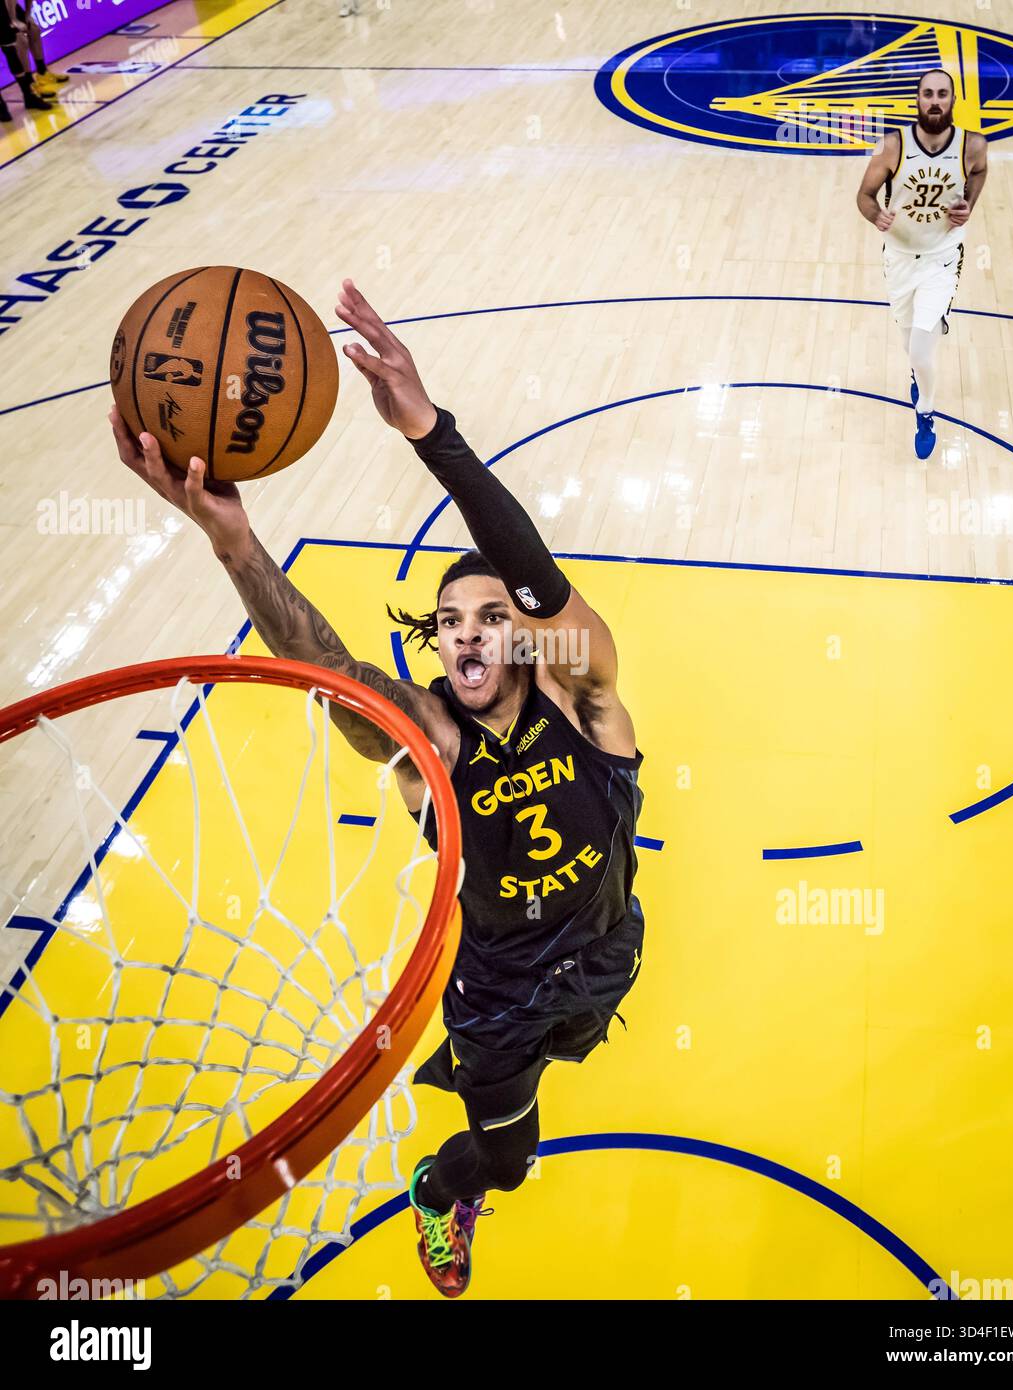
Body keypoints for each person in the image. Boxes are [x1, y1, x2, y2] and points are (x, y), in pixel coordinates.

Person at [109, 279, 646, 1299]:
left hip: (610, 950)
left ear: (523, 631)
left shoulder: (587, 698)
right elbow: (330, 667)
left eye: (492, 616)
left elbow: (536, 573)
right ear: (437, 641)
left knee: (552, 1081)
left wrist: (432, 433)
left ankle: (477, 1162)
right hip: (495, 994)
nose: (472, 631)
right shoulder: (427, 740)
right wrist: (236, 544)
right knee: (510, 1157)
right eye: (451, 621)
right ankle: (442, 1194)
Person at [856, 70, 988, 459]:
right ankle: (919, 370)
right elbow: (864, 195)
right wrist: (875, 214)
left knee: (920, 350)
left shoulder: (972, 146)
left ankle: (925, 411)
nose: (935, 100)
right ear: (917, 99)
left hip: (942, 259)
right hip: (898, 258)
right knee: (908, 340)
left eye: (942, 94)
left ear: (952, 100)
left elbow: (978, 173)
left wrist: (970, 203)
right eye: (928, 94)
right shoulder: (893, 147)